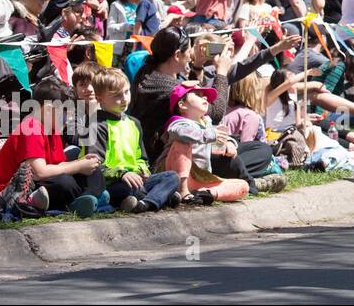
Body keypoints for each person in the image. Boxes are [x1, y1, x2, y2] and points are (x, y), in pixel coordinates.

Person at [0, 75, 105, 216]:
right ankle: (83, 200)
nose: (69, 120)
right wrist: (77, 166)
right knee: (65, 182)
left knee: (93, 170)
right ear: (48, 110)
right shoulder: (31, 128)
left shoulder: (52, 129)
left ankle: (87, 198)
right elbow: (40, 173)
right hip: (18, 189)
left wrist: (81, 164)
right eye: (66, 114)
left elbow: (58, 165)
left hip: (44, 180)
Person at [130, 27, 232, 160]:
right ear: (177, 55)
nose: (191, 55)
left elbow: (191, 92)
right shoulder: (169, 88)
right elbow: (216, 113)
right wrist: (222, 73)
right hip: (163, 159)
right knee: (255, 152)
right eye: (189, 50)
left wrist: (198, 66)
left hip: (159, 150)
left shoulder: (146, 72)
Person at [92, 69, 181, 213]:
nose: (124, 99)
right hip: (113, 183)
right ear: (100, 98)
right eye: (117, 96)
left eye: (126, 92)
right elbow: (95, 167)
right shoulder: (96, 126)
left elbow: (141, 158)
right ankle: (161, 198)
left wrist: (143, 170)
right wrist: (122, 174)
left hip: (138, 180)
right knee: (128, 189)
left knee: (172, 177)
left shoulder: (134, 123)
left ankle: (145, 203)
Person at [158, 83, 250, 204]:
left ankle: (205, 194)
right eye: (198, 95)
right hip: (173, 176)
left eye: (205, 96)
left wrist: (229, 143)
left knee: (243, 186)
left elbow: (218, 139)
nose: (205, 98)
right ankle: (182, 190)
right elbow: (184, 134)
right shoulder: (177, 123)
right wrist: (211, 135)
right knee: (183, 143)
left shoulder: (207, 123)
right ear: (182, 105)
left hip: (201, 177)